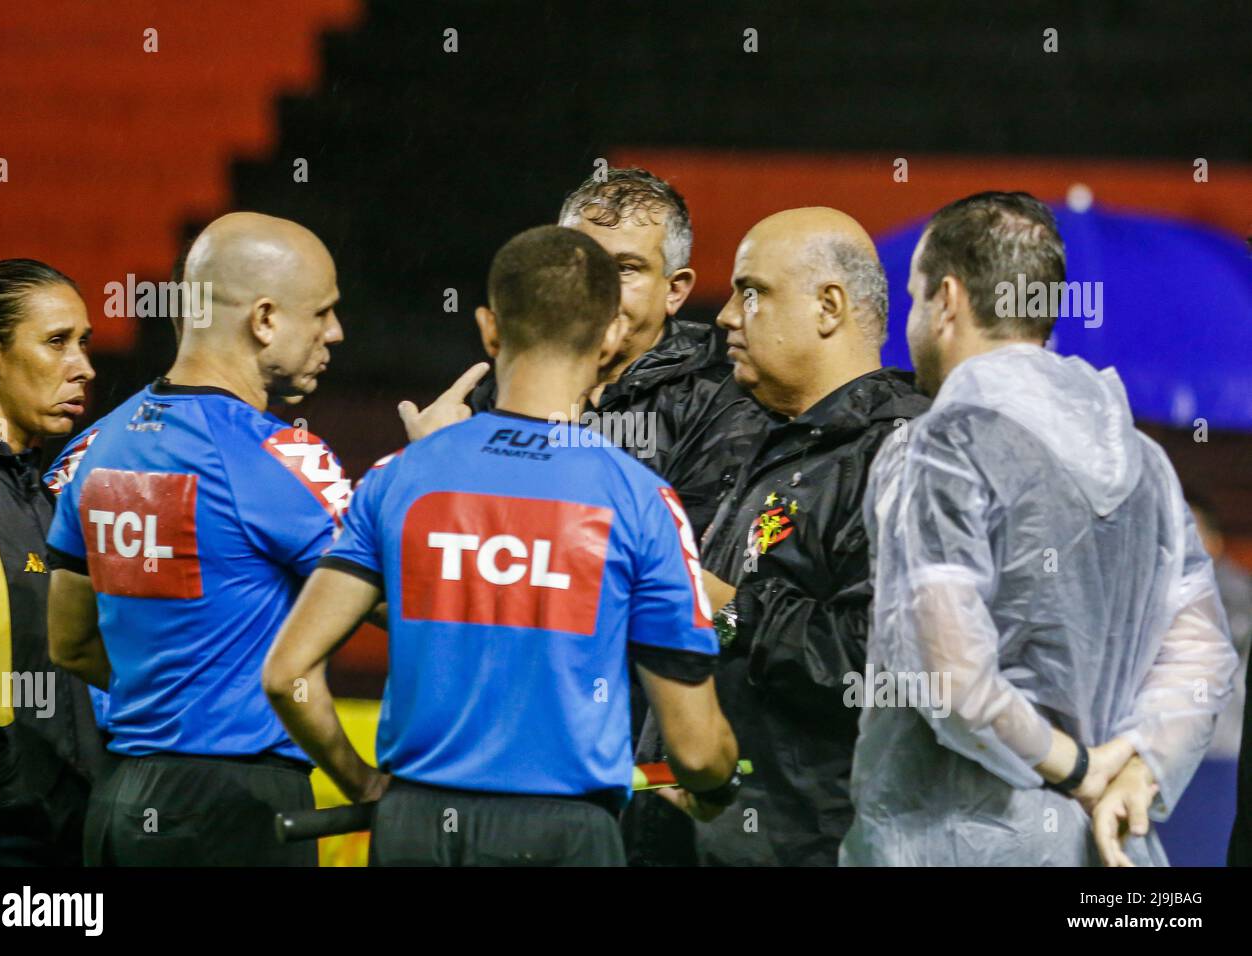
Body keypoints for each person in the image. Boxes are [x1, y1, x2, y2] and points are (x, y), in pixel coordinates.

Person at [263, 225, 739, 866]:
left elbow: (287, 673)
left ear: (489, 328)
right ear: (609, 336)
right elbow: (699, 751)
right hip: (564, 838)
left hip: (414, 827)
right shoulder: (643, 503)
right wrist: (715, 791)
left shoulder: (400, 477)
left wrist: (366, 785)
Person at [839, 191, 1238, 867]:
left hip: (948, 843)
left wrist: (1076, 767)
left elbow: (952, 678)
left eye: (913, 298)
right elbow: (1203, 652)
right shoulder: (1146, 462)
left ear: (948, 301)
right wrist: (1139, 764)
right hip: (1111, 849)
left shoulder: (936, 447)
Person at [45, 212, 355, 866]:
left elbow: (70, 642)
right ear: (264, 319)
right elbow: (407, 603)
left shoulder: (93, 451)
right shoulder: (280, 461)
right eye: (323, 311)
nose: (335, 332)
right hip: (241, 809)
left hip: (122, 799)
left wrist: (172, 702)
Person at [665, 208, 929, 865]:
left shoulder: (900, 454)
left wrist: (724, 609)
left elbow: (879, 670)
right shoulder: (762, 439)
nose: (726, 315)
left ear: (829, 306)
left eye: (750, 292)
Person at [471, 168, 770, 538]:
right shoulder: (499, 390)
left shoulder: (724, 405)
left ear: (675, 290)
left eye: (625, 268)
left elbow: (680, 558)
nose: (600, 289)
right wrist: (438, 460)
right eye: (583, 263)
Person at [0, 259, 106, 865]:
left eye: (86, 343)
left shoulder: (45, 492)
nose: (85, 367)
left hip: (63, 838)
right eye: (57, 342)